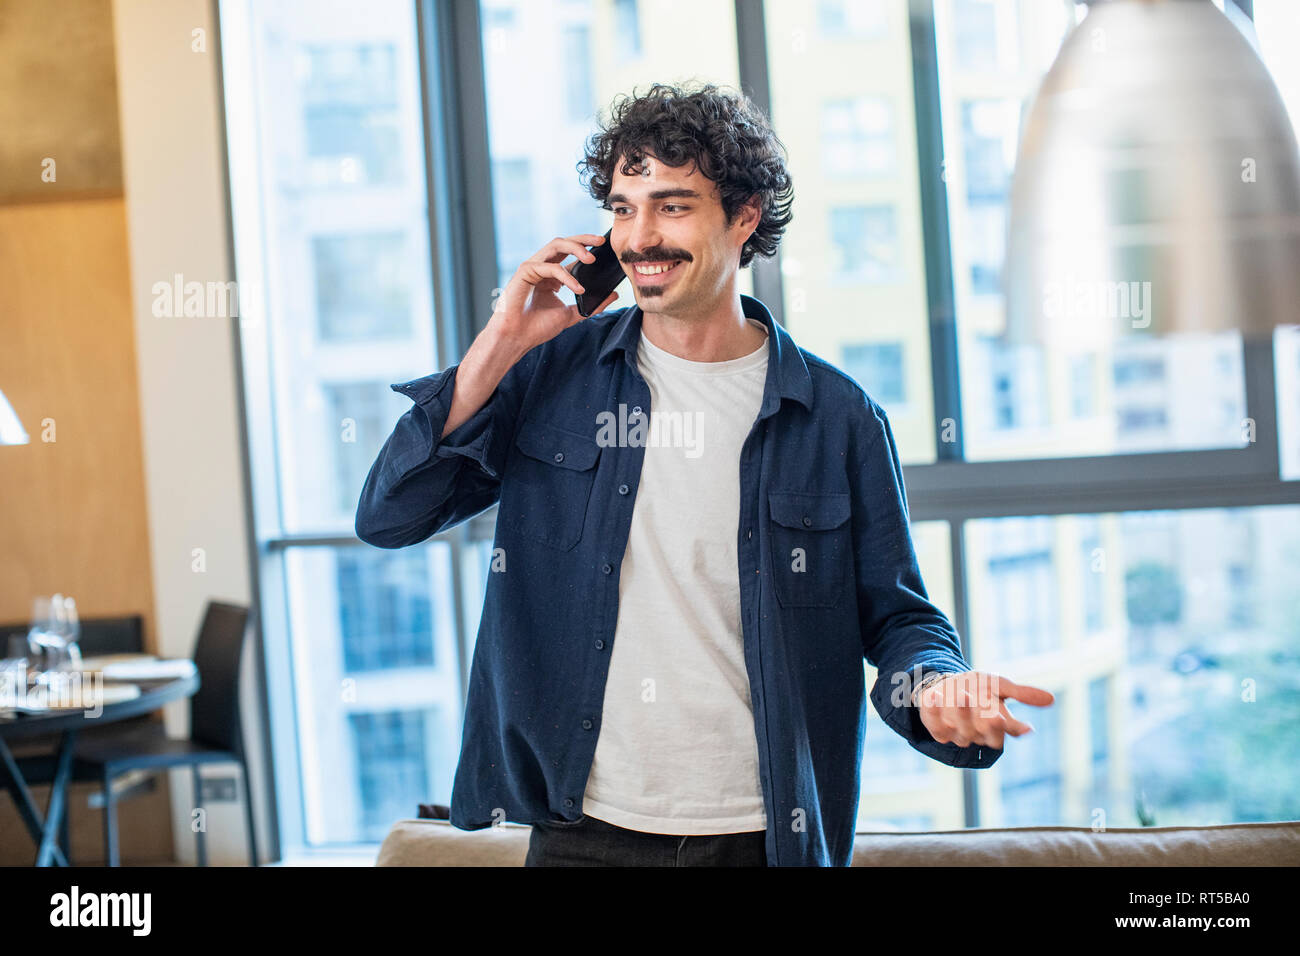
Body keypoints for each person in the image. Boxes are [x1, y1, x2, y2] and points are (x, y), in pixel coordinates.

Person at [355, 81, 1054, 866]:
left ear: (745, 216)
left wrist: (934, 686)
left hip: (763, 835)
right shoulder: (550, 374)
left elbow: (897, 616)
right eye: (623, 207)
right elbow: (390, 516)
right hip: (583, 832)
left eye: (673, 206)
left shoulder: (837, 416)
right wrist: (500, 345)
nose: (639, 236)